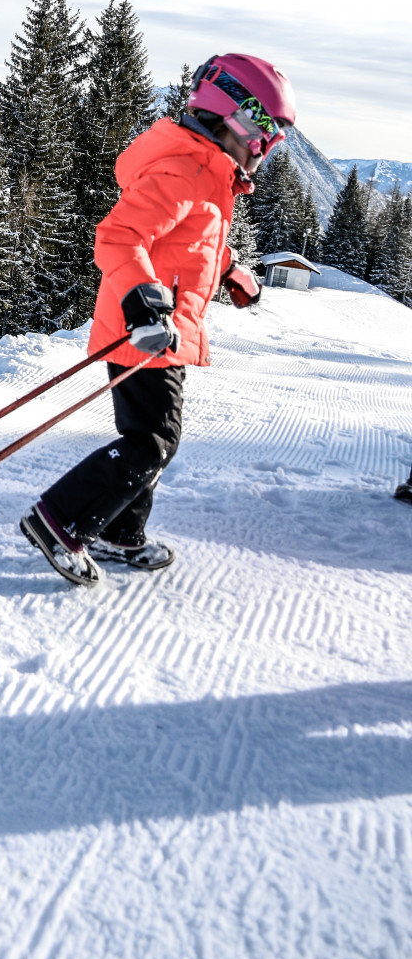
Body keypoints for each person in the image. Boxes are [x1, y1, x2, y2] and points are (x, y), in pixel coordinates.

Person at [21, 53, 296, 585]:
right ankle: (59, 521)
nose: (270, 146)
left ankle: (121, 533)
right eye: (269, 130)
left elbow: (195, 239)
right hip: (144, 329)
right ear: (235, 116)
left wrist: (232, 271)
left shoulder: (210, 171)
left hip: (160, 329)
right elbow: (119, 236)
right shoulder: (186, 168)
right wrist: (144, 300)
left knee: (149, 437)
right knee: (152, 444)